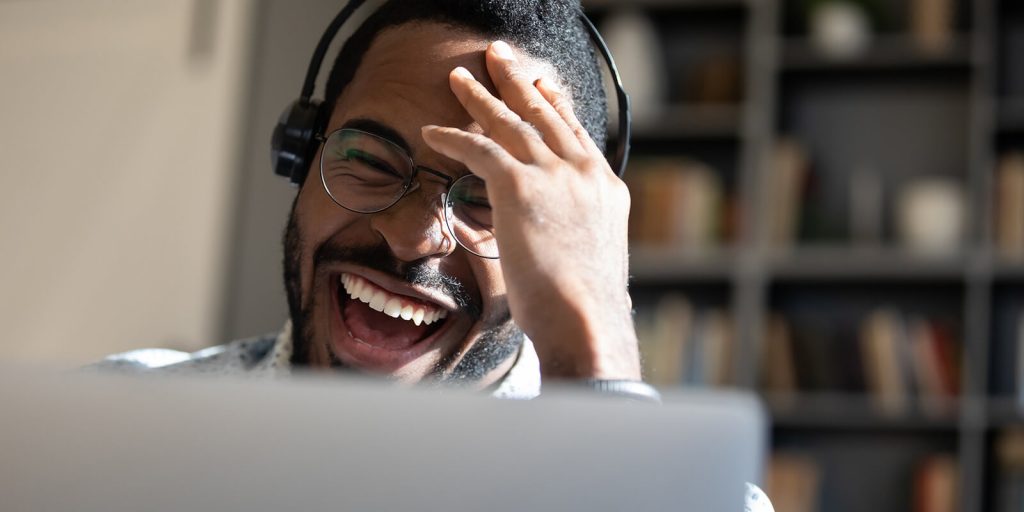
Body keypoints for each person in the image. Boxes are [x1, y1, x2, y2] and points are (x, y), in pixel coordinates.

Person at [95, 1, 772, 508]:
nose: (413, 236)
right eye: (368, 159)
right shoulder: (108, 428)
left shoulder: (704, 500)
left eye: (487, 197)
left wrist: (596, 355)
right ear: (300, 158)